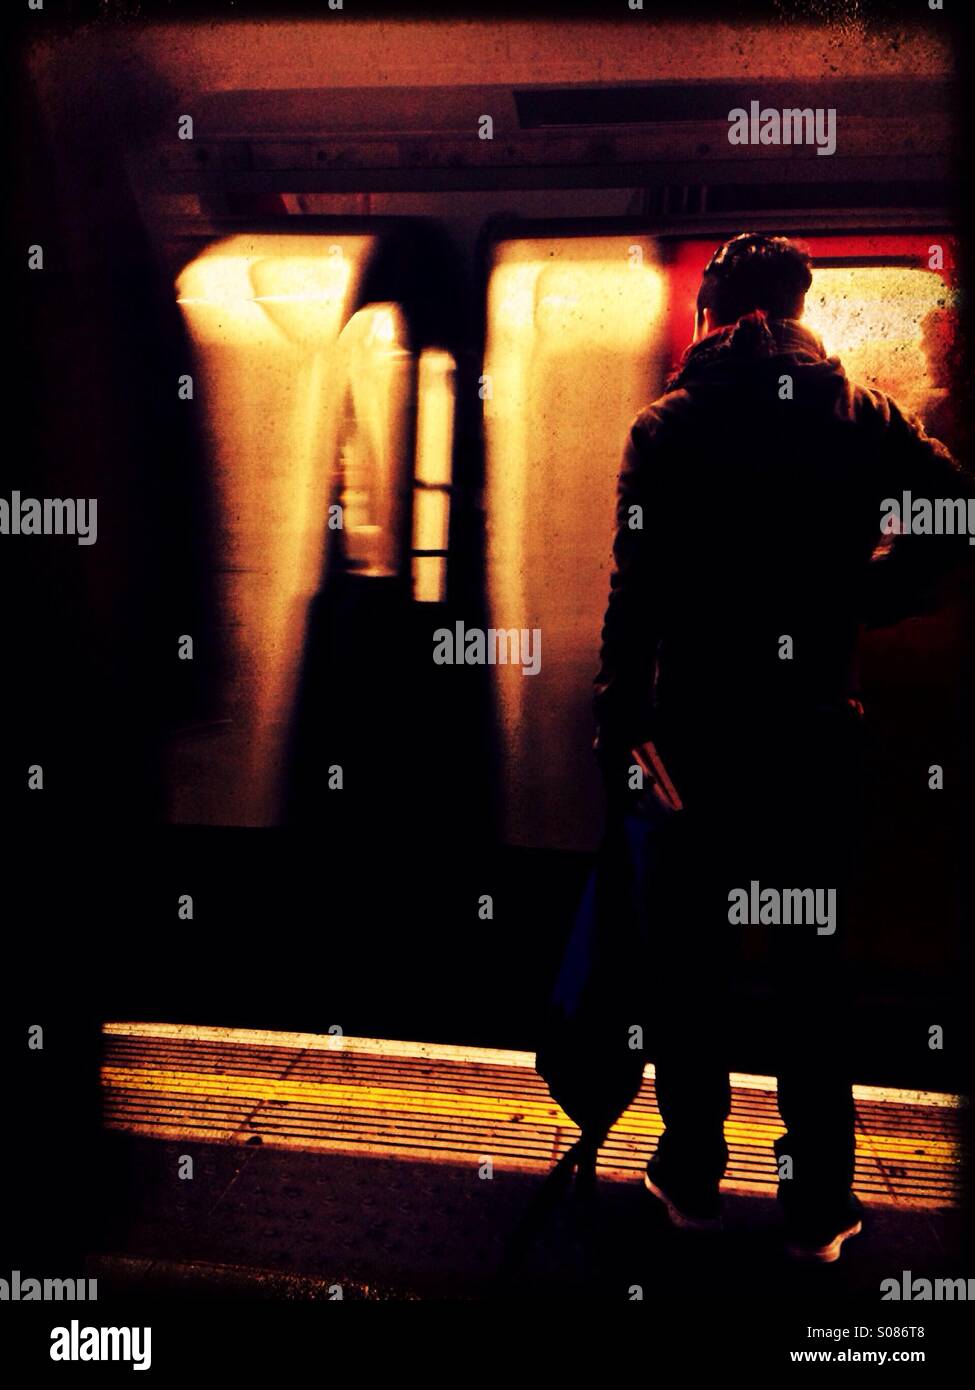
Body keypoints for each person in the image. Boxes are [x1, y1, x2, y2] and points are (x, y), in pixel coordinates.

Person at [593, 232, 974, 1263]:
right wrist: (864, 599)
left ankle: (691, 1173)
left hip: (700, 743)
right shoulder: (854, 414)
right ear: (800, 309)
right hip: (814, 738)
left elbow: (637, 591)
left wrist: (620, 721)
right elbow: (957, 514)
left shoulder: (666, 428)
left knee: (693, 967)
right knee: (815, 974)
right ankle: (818, 1206)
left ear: (711, 314)